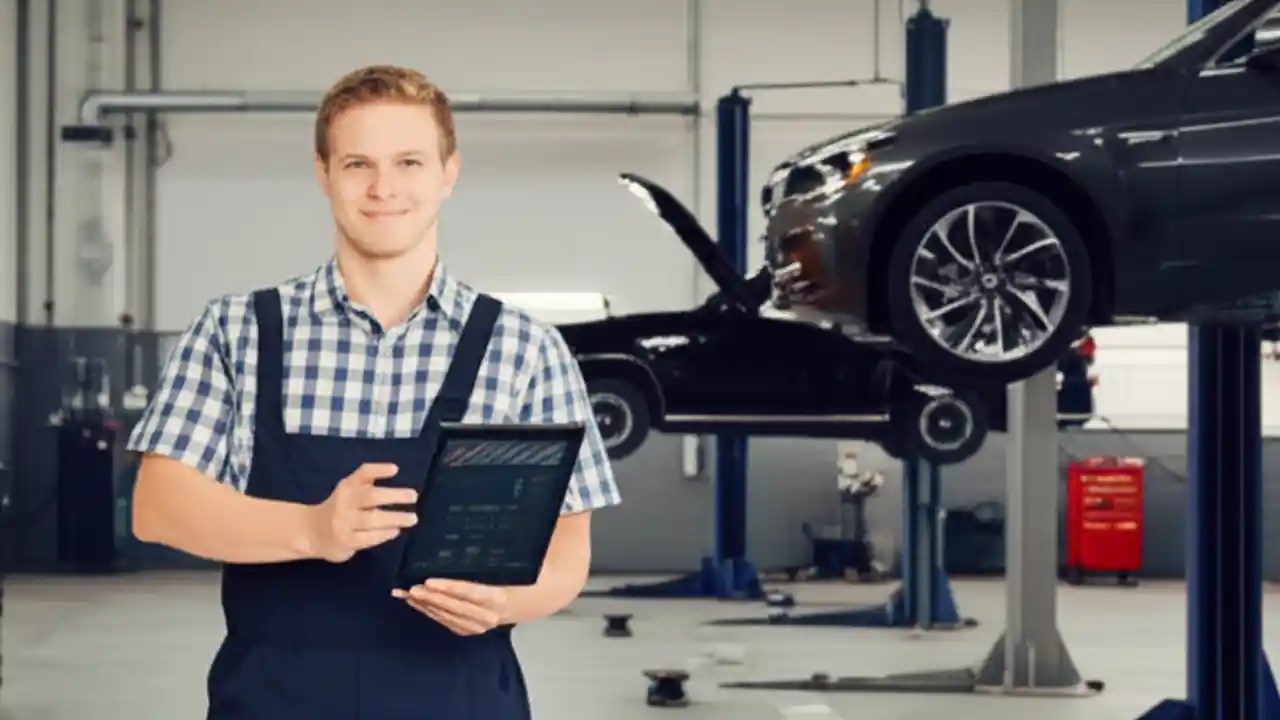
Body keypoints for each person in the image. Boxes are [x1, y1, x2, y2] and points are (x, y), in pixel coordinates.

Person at [126, 64, 621, 719]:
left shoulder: (525, 348)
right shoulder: (239, 330)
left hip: (461, 698)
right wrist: (308, 528)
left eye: (410, 162)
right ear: (323, 173)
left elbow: (567, 551)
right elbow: (159, 506)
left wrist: (504, 604)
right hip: (274, 700)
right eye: (358, 163)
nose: (384, 187)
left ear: (449, 172)